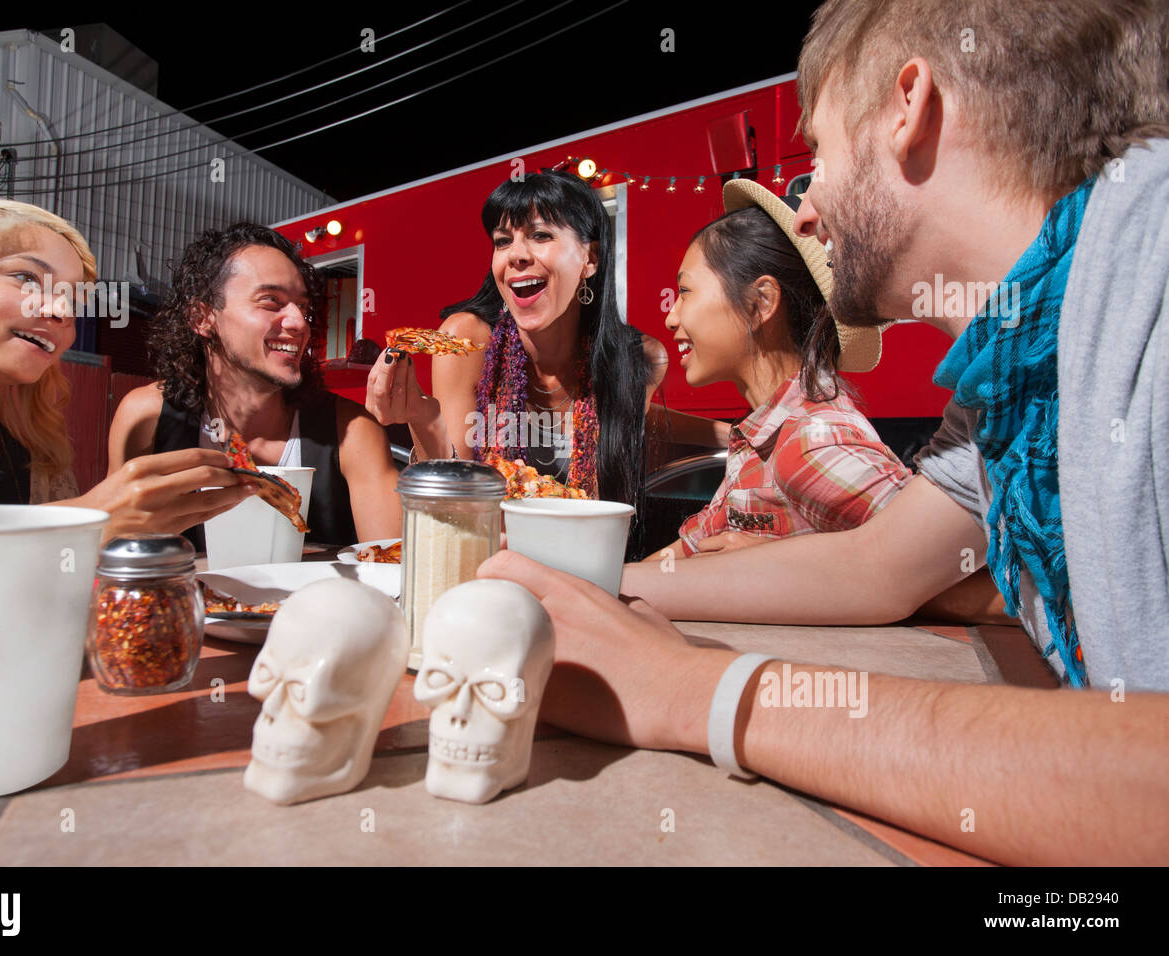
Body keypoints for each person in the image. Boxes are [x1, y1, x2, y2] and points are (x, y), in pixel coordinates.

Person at [481, 0, 1169, 865]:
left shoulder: (1153, 267)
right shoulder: (1007, 365)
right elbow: (880, 565)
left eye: (816, 160)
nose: (804, 216)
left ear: (907, 108)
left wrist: (696, 690)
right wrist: (607, 594)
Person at [0, 194, 251, 539]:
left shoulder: (44, 466)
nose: (62, 311)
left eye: (75, 299)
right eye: (26, 278)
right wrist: (89, 521)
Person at [365, 171, 669, 513]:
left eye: (540, 235)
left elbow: (639, 427)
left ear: (590, 259)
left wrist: (735, 438)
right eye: (502, 241)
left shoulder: (638, 357)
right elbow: (455, 503)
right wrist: (423, 418)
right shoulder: (468, 340)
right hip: (489, 552)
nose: (515, 255)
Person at [644, 179, 910, 560]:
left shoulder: (812, 443)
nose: (671, 318)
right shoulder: (764, 436)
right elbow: (686, 552)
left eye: (685, 292)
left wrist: (787, 562)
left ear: (760, 303)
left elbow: (990, 588)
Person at [110, 222, 401, 546]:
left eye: (302, 307)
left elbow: (390, 573)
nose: (298, 323)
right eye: (270, 302)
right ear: (202, 318)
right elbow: (117, 555)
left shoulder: (352, 431)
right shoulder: (147, 417)